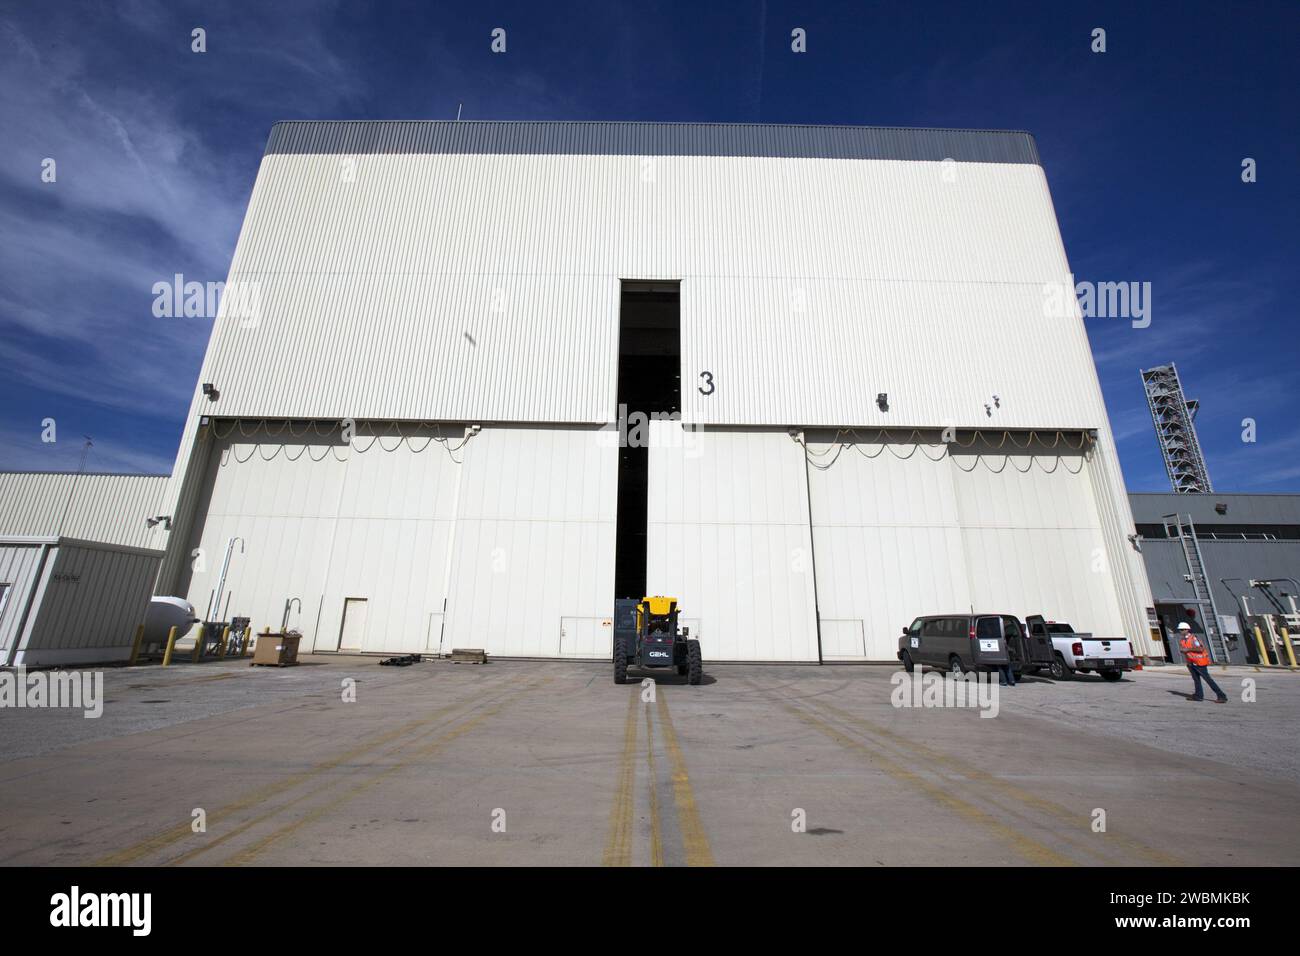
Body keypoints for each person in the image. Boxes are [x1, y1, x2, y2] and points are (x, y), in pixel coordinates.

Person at [1177, 622, 1227, 703]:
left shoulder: (1194, 638)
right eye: (1179, 630)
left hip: (1199, 663)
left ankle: (1221, 696)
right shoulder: (1182, 640)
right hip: (1191, 663)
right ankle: (1198, 696)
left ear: (1187, 629)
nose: (1181, 631)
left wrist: (1188, 649)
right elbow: (1185, 650)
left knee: (1208, 680)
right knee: (1196, 680)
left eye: (1182, 629)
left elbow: (1200, 649)